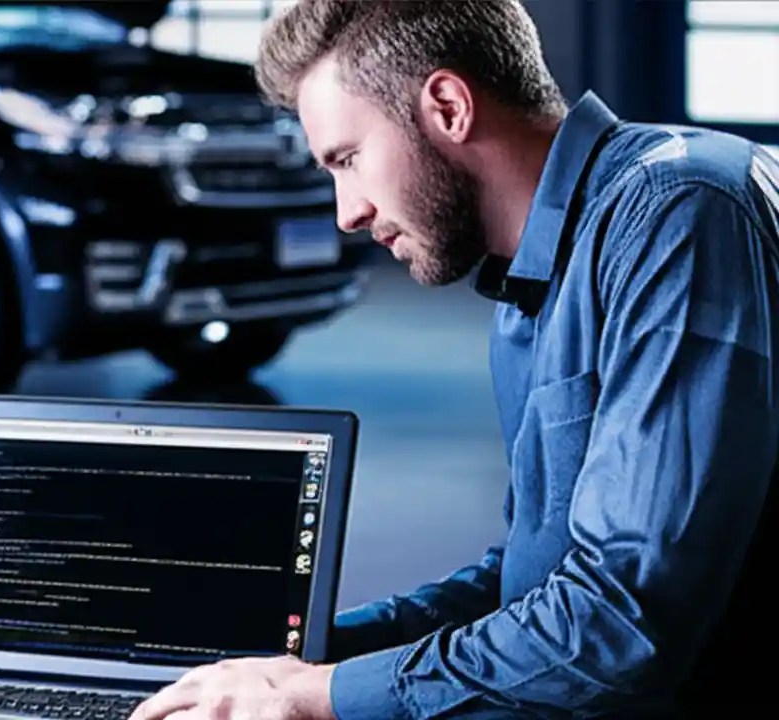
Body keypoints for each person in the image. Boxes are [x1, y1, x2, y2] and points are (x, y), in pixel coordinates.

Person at [129, 0, 779, 718]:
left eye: (348, 159)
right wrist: (308, 662)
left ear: (447, 106)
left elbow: (618, 624)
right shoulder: (530, 280)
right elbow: (539, 581)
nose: (346, 211)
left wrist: (320, 699)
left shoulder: (680, 215)